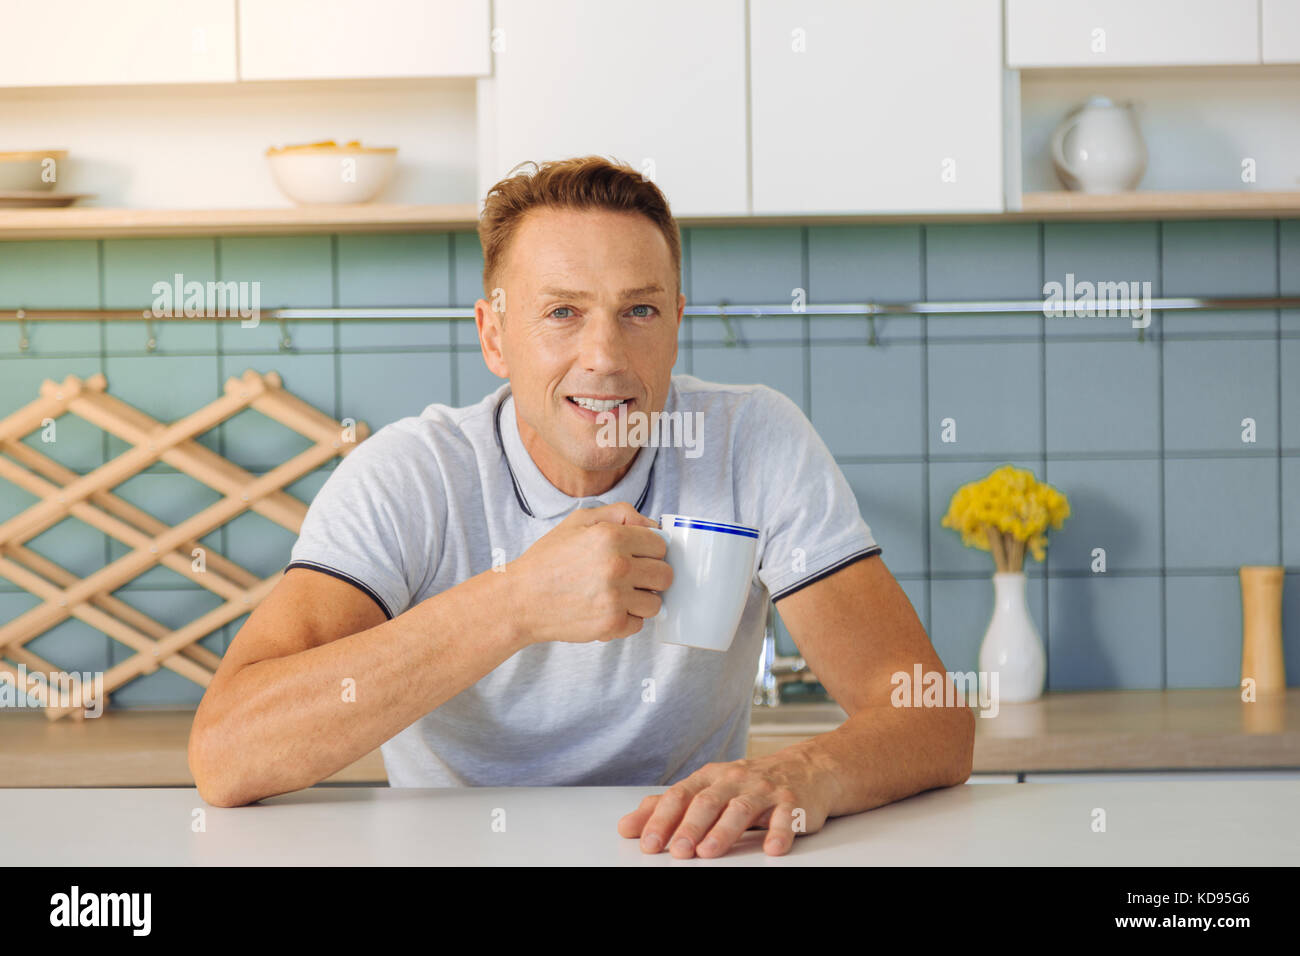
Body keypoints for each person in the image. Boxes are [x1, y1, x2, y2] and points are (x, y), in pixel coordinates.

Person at [189, 155, 973, 859]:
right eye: (562, 312)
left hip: (681, 855)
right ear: (494, 337)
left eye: (639, 311)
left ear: (675, 326)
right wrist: (516, 603)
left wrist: (806, 774)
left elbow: (933, 717)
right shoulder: (408, 475)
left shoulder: (752, 440)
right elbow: (227, 752)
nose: (604, 357)